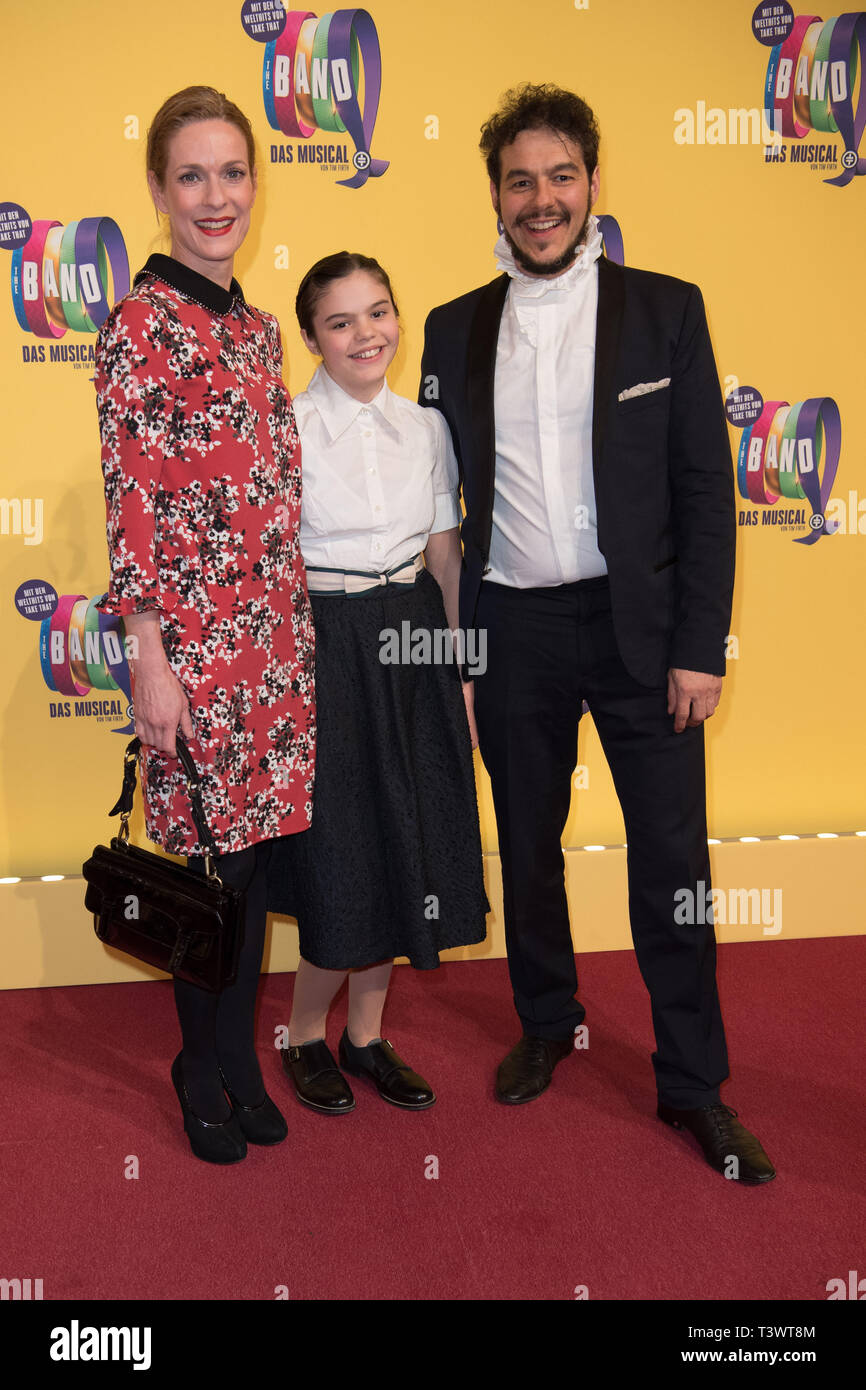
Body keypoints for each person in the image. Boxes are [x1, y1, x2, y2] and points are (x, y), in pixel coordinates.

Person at [418, 83, 775, 1183]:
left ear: (591, 183)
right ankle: (544, 1019)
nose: (541, 200)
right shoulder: (449, 327)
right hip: (513, 626)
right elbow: (440, 513)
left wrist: (698, 647)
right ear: (494, 194)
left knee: (670, 862)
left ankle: (691, 1084)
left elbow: (704, 495)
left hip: (641, 631)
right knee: (524, 844)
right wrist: (459, 654)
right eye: (519, 181)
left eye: (560, 177)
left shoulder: (667, 310)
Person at [94, 86, 315, 1164]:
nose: (216, 196)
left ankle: (235, 1057)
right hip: (191, 657)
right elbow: (131, 500)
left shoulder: (260, 330)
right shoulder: (141, 325)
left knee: (258, 874)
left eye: (232, 172)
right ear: (158, 190)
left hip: (275, 653)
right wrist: (149, 657)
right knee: (205, 882)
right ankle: (197, 1064)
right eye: (192, 175)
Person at [268, 252, 488, 1113]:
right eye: (342, 320)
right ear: (313, 338)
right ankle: (299, 1036)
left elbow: (444, 555)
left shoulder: (427, 428)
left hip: (414, 639)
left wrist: (462, 671)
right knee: (342, 850)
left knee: (410, 836)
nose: (368, 334)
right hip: (326, 645)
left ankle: (365, 1039)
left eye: (380, 312)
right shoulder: (284, 429)